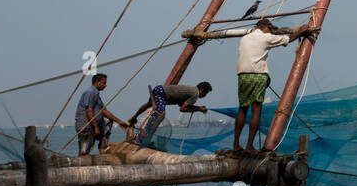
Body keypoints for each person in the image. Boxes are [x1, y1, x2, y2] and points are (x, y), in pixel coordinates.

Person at [225, 17, 315, 152]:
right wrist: (301, 31)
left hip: (243, 75)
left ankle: (236, 145)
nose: (271, 31)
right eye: (270, 29)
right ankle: (249, 145)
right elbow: (288, 39)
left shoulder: (244, 38)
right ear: (264, 28)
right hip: (258, 76)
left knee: (242, 109)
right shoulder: (265, 38)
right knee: (256, 110)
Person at [128, 82, 212, 150]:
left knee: (148, 104)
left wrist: (198, 108)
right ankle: (146, 140)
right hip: (162, 93)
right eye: (206, 93)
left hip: (159, 89)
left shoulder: (192, 90)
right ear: (202, 90)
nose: (205, 96)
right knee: (161, 115)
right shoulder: (195, 94)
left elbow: (182, 105)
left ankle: (134, 118)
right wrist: (199, 109)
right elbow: (182, 109)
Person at [74, 73, 129, 155]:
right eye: (104, 83)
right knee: (84, 151)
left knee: (105, 132)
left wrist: (119, 121)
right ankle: (81, 162)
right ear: (98, 82)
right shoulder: (90, 92)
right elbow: (88, 110)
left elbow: (104, 111)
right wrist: (96, 127)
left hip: (93, 126)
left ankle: (102, 149)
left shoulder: (96, 94)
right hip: (86, 127)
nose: (105, 85)